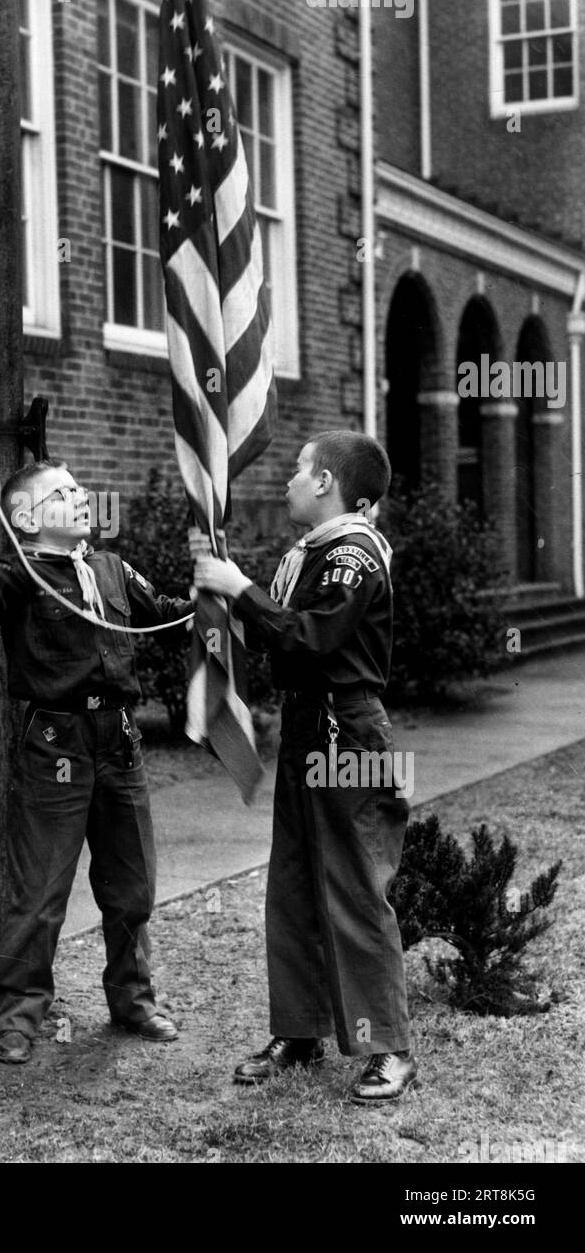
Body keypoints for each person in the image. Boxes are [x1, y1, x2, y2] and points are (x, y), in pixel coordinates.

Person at [0, 458, 193, 1065]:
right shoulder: (20, 572)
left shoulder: (108, 566)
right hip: (55, 742)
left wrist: (207, 592)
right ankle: (20, 1013)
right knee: (41, 889)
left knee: (131, 885)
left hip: (119, 740)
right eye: (63, 493)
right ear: (27, 518)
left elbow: (164, 612)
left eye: (80, 488)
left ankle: (133, 999)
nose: (82, 497)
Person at [193, 430, 417, 1103]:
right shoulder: (313, 552)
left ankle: (388, 1049)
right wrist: (232, 590)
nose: (289, 480)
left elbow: (312, 638)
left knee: (351, 884)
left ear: (326, 483)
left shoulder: (351, 556)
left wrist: (241, 588)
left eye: (299, 470)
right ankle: (300, 1028)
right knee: (293, 882)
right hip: (307, 725)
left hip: (343, 731)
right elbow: (288, 638)